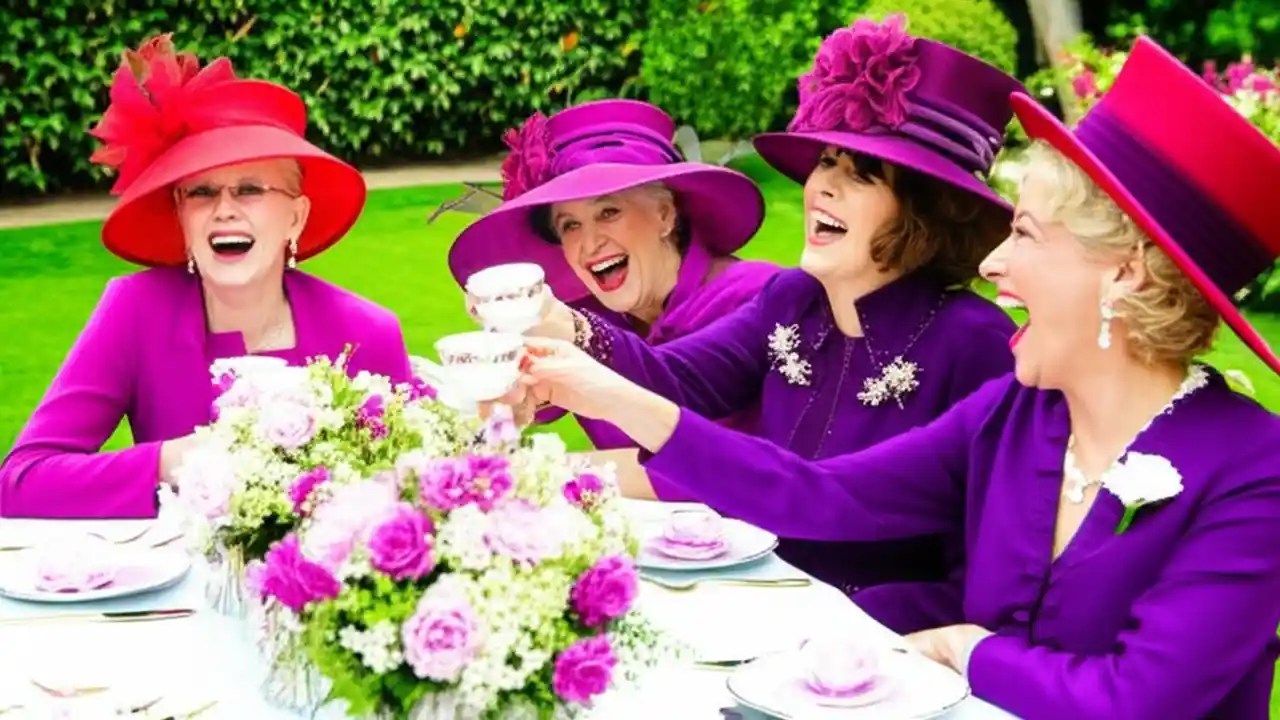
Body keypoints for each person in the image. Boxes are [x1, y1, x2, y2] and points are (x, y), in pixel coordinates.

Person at [514, 36, 1280, 718]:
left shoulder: (1255, 469)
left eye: (1024, 234)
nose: (993, 265)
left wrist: (964, 650)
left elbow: (1136, 699)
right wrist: (598, 387)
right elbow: (822, 493)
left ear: (1125, 276)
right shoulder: (1017, 413)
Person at [510, 15, 1023, 627]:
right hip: (758, 606)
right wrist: (563, 327)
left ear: (925, 210)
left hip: (879, 655)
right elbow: (678, 380)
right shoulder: (794, 300)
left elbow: (978, 578)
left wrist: (843, 626)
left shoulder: (976, 343)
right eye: (826, 163)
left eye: (859, 174)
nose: (821, 188)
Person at [0, 35, 412, 519]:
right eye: (200, 192)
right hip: (174, 588)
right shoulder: (135, 309)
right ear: (181, 216)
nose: (224, 210)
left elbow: (408, 493)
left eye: (250, 189)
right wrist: (167, 462)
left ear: (296, 218)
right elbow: (20, 480)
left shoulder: (366, 333)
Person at [447, 98, 779, 483]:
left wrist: (550, 472)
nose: (589, 244)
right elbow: (512, 413)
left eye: (608, 213)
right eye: (570, 226)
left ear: (665, 215)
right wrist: (501, 377)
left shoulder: (756, 297)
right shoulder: (588, 316)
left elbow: (731, 472)